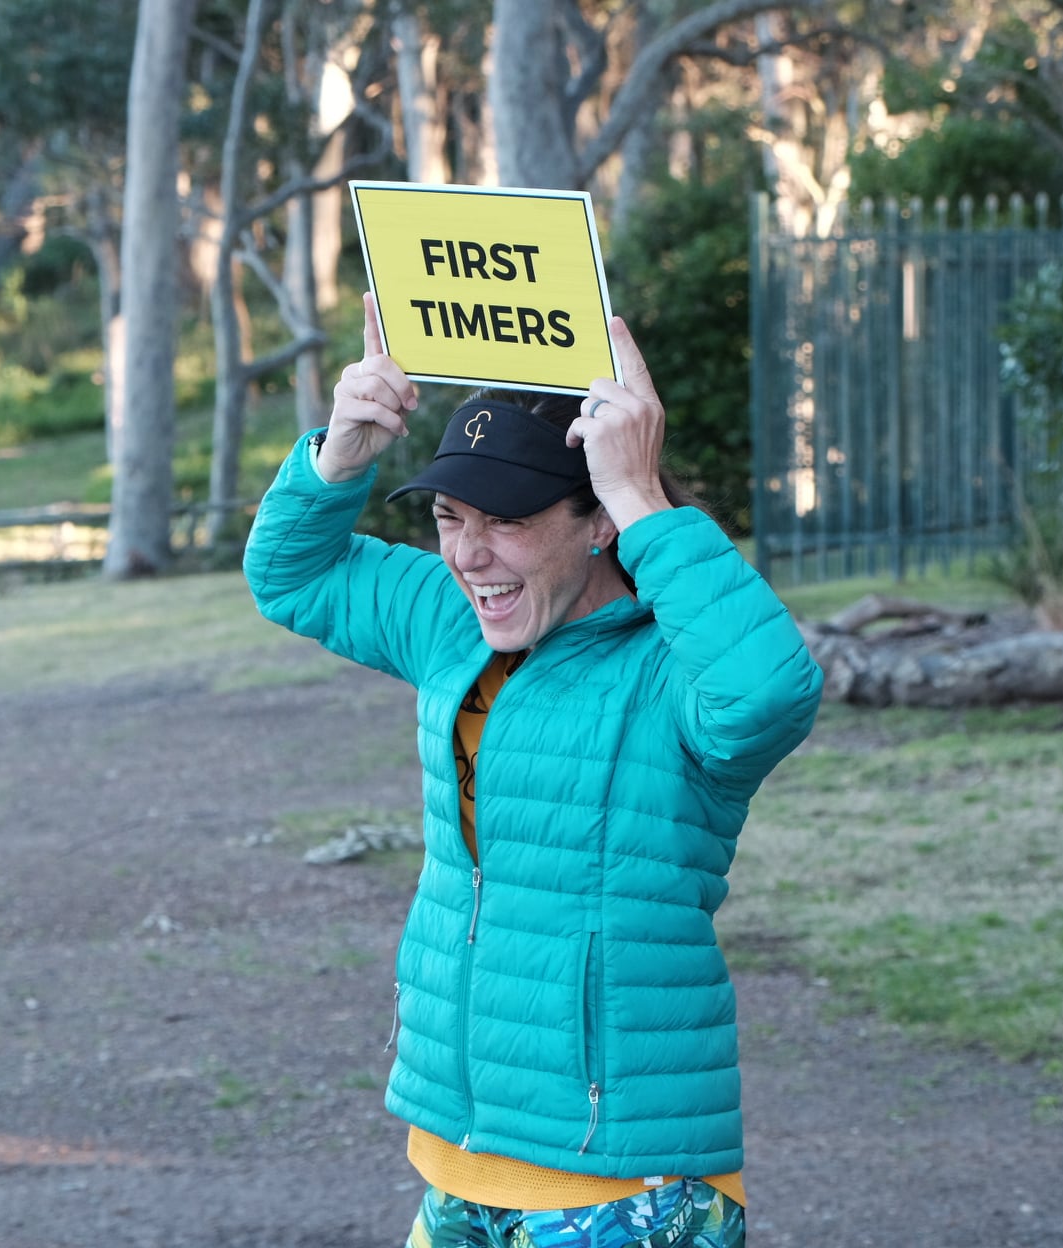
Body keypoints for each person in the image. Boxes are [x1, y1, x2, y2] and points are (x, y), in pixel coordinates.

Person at [244, 294, 825, 1248]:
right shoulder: (450, 623)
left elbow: (766, 696)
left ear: (596, 522)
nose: (470, 554)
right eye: (448, 516)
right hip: (457, 1164)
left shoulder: (669, 671)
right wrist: (339, 456)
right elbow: (291, 576)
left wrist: (643, 500)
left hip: (624, 1189)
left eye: (507, 520)